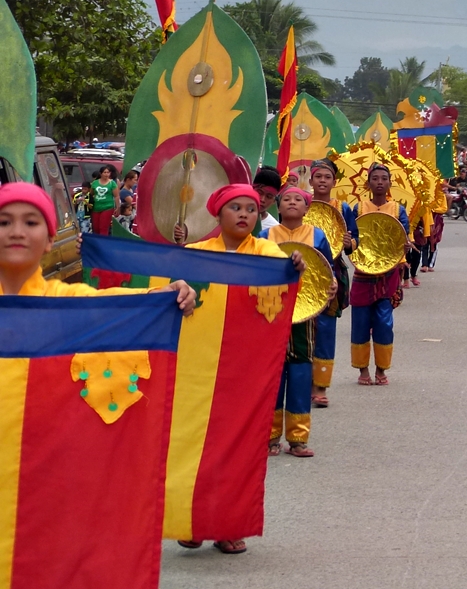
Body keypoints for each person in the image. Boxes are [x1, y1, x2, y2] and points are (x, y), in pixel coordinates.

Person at [179, 182, 305, 555]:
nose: (244, 215)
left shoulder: (269, 255)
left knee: (241, 447)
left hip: (246, 369)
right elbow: (172, 292)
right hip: (198, 367)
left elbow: (288, 298)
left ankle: (229, 526)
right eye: (235, 208)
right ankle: (191, 520)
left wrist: (294, 268)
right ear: (217, 214)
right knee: (193, 443)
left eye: (250, 209)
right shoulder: (195, 254)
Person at [0, 181, 195, 307]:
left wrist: (163, 295)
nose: (17, 232)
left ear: (50, 240)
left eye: (31, 223)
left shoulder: (63, 302)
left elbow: (113, 303)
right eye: (4, 222)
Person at [261, 186, 334, 458]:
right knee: (273, 375)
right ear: (278, 208)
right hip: (272, 312)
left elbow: (328, 269)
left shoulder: (317, 236)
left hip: (305, 316)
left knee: (302, 375)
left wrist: (332, 287)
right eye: (287, 199)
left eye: (298, 200)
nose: (292, 203)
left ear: (306, 209)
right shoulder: (264, 236)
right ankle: (269, 437)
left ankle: (298, 437)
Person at [349, 164, 410, 386]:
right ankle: (363, 369)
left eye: (384, 178)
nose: (380, 182)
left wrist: (404, 249)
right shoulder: (357, 209)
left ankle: (381, 369)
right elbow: (353, 239)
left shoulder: (398, 210)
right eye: (375, 178)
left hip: (387, 274)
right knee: (360, 322)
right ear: (368, 183)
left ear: (390, 183)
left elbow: (402, 236)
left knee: (384, 323)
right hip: (363, 273)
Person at [308, 158, 359, 408]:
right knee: (303, 329)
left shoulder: (344, 208)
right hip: (305, 274)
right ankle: (303, 381)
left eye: (327, 177)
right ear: (311, 180)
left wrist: (351, 244)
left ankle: (321, 386)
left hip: (332, 273)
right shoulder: (300, 203)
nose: (322, 181)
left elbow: (354, 240)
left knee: (326, 330)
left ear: (334, 182)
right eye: (318, 176)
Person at [420, 183, 448, 272]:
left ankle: (431, 264)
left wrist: (434, 210)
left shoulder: (442, 196)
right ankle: (424, 264)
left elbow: (444, 209)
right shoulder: (428, 195)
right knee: (424, 242)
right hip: (427, 218)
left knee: (434, 243)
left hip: (436, 221)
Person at [90, 164, 119, 235]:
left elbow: (116, 196)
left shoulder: (112, 183)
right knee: (96, 228)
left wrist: (118, 207)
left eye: (108, 172)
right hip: (96, 207)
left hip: (107, 207)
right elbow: (91, 193)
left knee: (103, 227)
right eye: (104, 172)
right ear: (101, 173)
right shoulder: (95, 183)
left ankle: (102, 243)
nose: (106, 174)